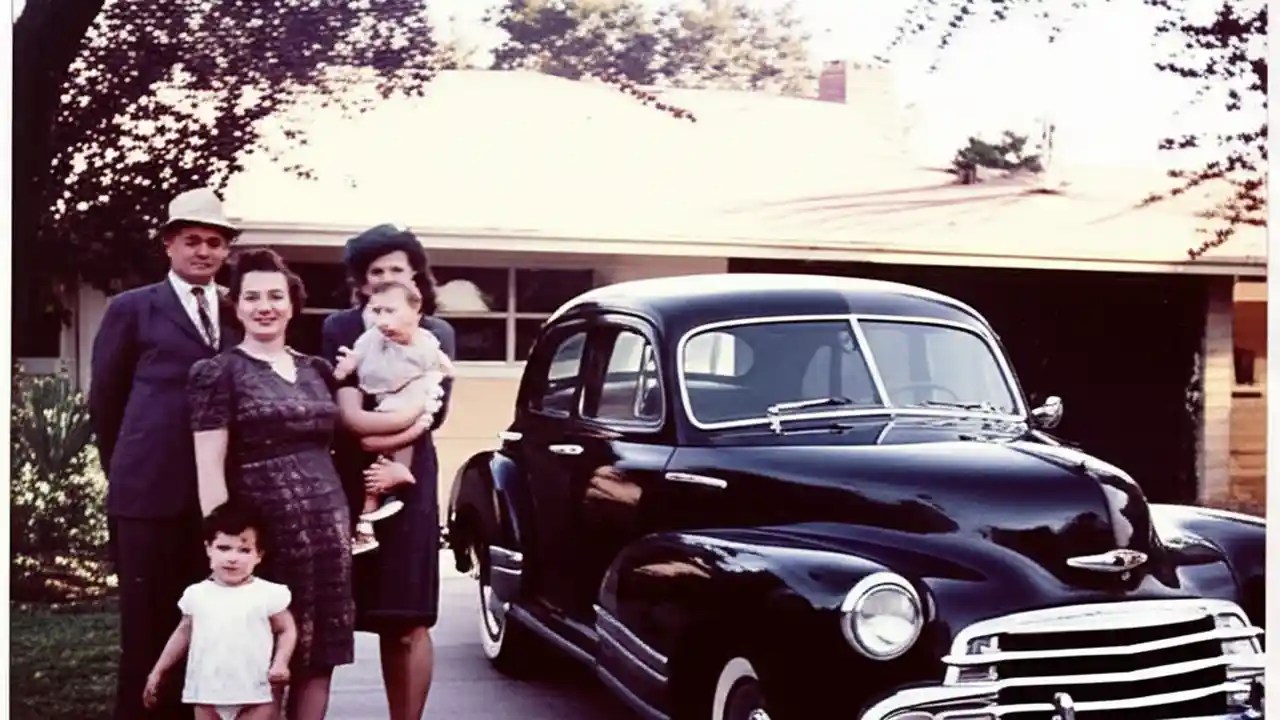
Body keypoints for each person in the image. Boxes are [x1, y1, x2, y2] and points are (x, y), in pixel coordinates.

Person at [89, 187, 242, 720]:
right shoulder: (133, 308)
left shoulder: (236, 310)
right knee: (147, 629)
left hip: (215, 499)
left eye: (215, 243)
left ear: (226, 252)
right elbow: (105, 402)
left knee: (203, 627)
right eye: (192, 240)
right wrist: (127, 472)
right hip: (146, 493)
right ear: (169, 244)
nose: (203, 251)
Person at [187, 249, 355, 720]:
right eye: (253, 296)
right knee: (263, 655)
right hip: (264, 537)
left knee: (320, 653)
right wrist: (223, 548)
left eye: (276, 296)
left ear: (292, 303)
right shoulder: (217, 373)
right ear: (235, 306)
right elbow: (209, 465)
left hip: (327, 531)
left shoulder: (318, 370)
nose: (266, 306)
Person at [320, 224, 456, 720]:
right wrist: (365, 431)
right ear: (360, 280)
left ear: (415, 276)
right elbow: (341, 409)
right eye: (375, 271)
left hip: (410, 475)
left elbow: (433, 412)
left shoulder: (434, 332)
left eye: (395, 269)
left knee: (406, 619)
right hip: (349, 481)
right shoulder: (340, 329)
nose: (385, 278)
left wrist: (379, 432)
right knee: (331, 614)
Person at [332, 279, 456, 554]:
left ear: (416, 312)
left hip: (411, 397)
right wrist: (345, 369)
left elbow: (441, 367)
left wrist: (437, 381)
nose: (383, 320)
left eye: (391, 311)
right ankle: (368, 518)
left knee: (391, 443)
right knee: (375, 458)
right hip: (384, 399)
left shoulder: (426, 342)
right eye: (377, 312)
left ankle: (393, 483)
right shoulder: (370, 340)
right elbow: (355, 360)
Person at [143, 502, 297, 720]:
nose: (232, 558)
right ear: (208, 548)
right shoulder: (197, 594)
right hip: (206, 692)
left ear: (259, 555)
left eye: (244, 550)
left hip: (255, 692)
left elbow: (286, 629)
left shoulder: (267, 594)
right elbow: (183, 632)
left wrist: (281, 662)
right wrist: (158, 670)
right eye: (223, 548)